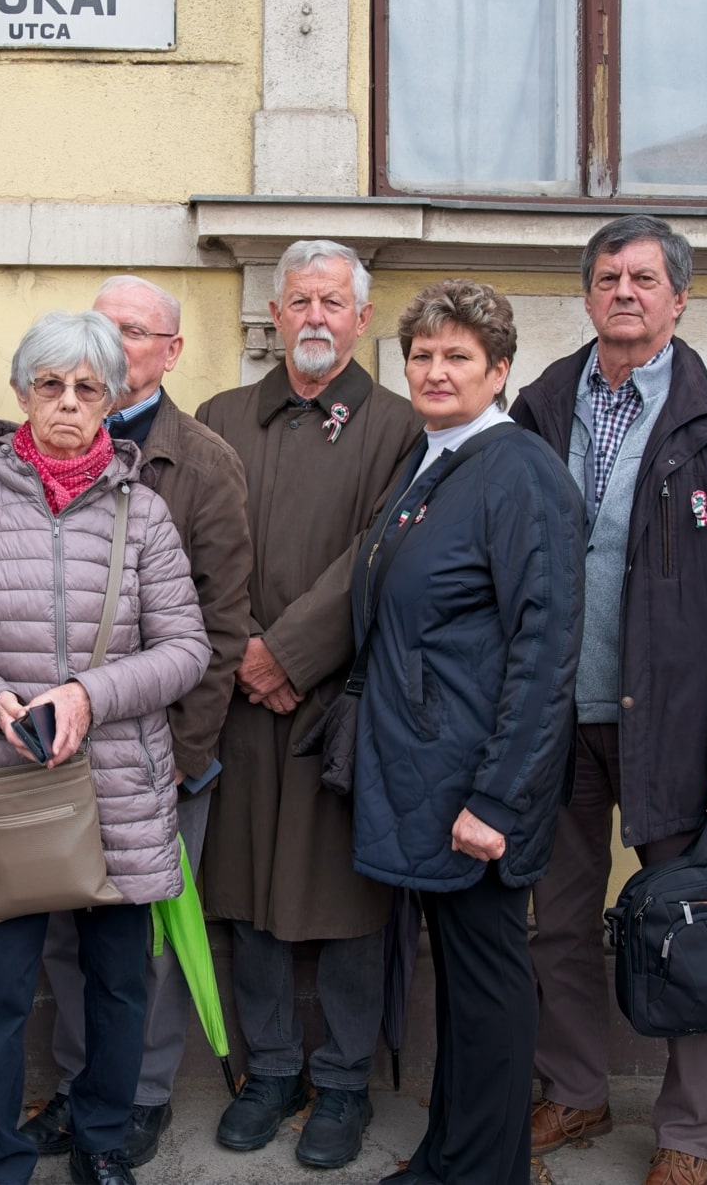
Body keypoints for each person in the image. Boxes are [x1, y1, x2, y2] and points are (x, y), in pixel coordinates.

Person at [512, 214, 707, 1185]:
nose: (623, 292)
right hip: (557, 725)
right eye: (607, 277)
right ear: (587, 294)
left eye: (642, 278)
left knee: (694, 931)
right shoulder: (542, 406)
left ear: (679, 297)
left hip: (678, 731)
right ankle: (574, 1089)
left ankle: (691, 1134)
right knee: (557, 924)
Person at [0, 309, 211, 1185]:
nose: (68, 402)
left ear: (111, 400)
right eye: (50, 384)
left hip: (119, 790)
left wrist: (87, 695)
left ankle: (101, 1140)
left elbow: (187, 648)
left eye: (87, 387)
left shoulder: (145, 514)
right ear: (20, 393)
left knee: (117, 986)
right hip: (7, 789)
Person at [351, 280, 585, 1185]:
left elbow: (546, 647)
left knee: (486, 986)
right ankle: (448, 1160)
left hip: (478, 785)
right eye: (422, 355)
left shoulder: (520, 471)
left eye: (459, 356)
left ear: (500, 370)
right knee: (460, 982)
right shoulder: (434, 457)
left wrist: (497, 797)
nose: (436, 370)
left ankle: (487, 1172)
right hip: (431, 768)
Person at [194, 239, 421, 1169]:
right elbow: (200, 548)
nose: (315, 316)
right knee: (246, 892)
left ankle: (344, 1080)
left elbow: (379, 550)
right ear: (274, 314)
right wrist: (245, 651)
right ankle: (274, 1070)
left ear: (362, 319)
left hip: (341, 701)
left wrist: (287, 654)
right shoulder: (220, 417)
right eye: (300, 300)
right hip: (240, 698)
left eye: (333, 301)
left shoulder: (401, 426)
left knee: (350, 899)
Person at [22, 276, 252, 1166]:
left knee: (145, 941)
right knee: (65, 934)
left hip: (157, 754)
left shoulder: (203, 462)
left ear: (171, 351)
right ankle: (82, 1087)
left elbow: (221, 624)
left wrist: (184, 752)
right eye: (102, 326)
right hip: (57, 751)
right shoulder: (47, 444)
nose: (112, 345)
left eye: (134, 331)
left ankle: (141, 1094)